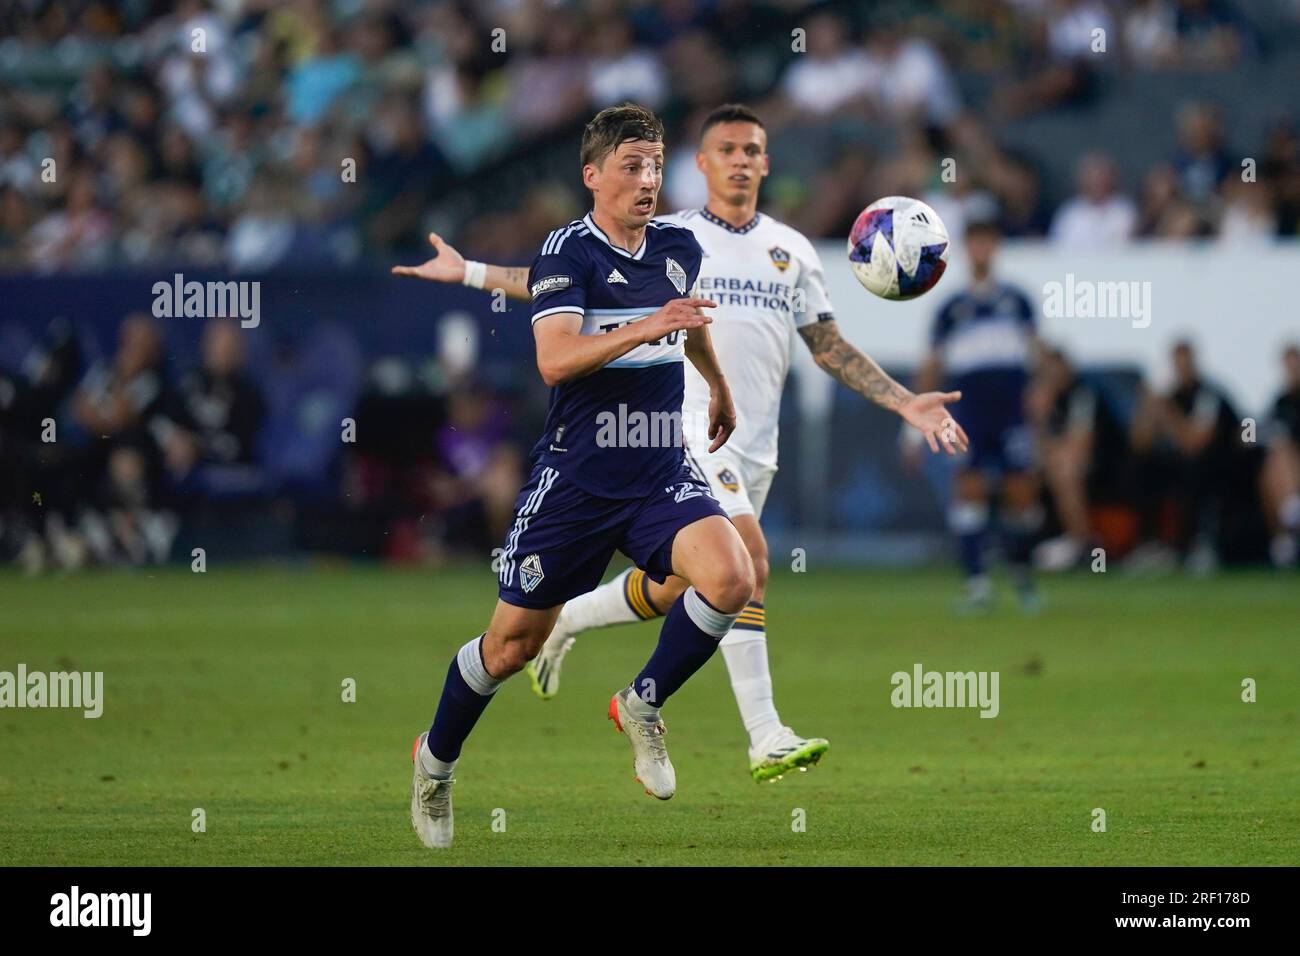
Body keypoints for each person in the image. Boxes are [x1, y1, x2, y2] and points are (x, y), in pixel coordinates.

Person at [396, 103, 968, 783]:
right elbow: (558, 291)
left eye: (754, 150)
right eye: (727, 148)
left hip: (747, 441)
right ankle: (762, 733)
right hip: (677, 437)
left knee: (680, 591)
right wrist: (474, 274)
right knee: (744, 562)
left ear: (766, 162)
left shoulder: (780, 251)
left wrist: (905, 402)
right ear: (703, 164)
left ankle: (584, 635)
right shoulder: (657, 228)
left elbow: (826, 346)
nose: (742, 160)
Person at [403, 103, 756, 850]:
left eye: (656, 165)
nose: (648, 180)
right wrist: (645, 326)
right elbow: (555, 358)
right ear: (592, 176)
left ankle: (642, 702)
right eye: (632, 166)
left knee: (731, 577)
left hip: (660, 468)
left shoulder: (678, 246)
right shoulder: (569, 249)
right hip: (577, 481)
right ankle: (435, 765)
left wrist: (717, 384)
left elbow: (687, 321)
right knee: (509, 650)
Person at [912, 217, 1041, 612]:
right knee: (970, 490)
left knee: (1020, 494)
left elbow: (1036, 352)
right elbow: (932, 365)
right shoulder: (952, 308)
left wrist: (1042, 397)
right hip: (970, 408)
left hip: (1010, 408)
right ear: (967, 249)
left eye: (988, 241)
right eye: (975, 242)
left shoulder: (1017, 300)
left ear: (996, 246)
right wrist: (916, 417)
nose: (982, 249)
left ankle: (1022, 578)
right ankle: (978, 584)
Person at [1260, 345, 1299, 567]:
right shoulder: (1281, 401)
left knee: (1284, 453)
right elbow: (1251, 433)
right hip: (1283, 469)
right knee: (1273, 462)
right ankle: (1288, 519)